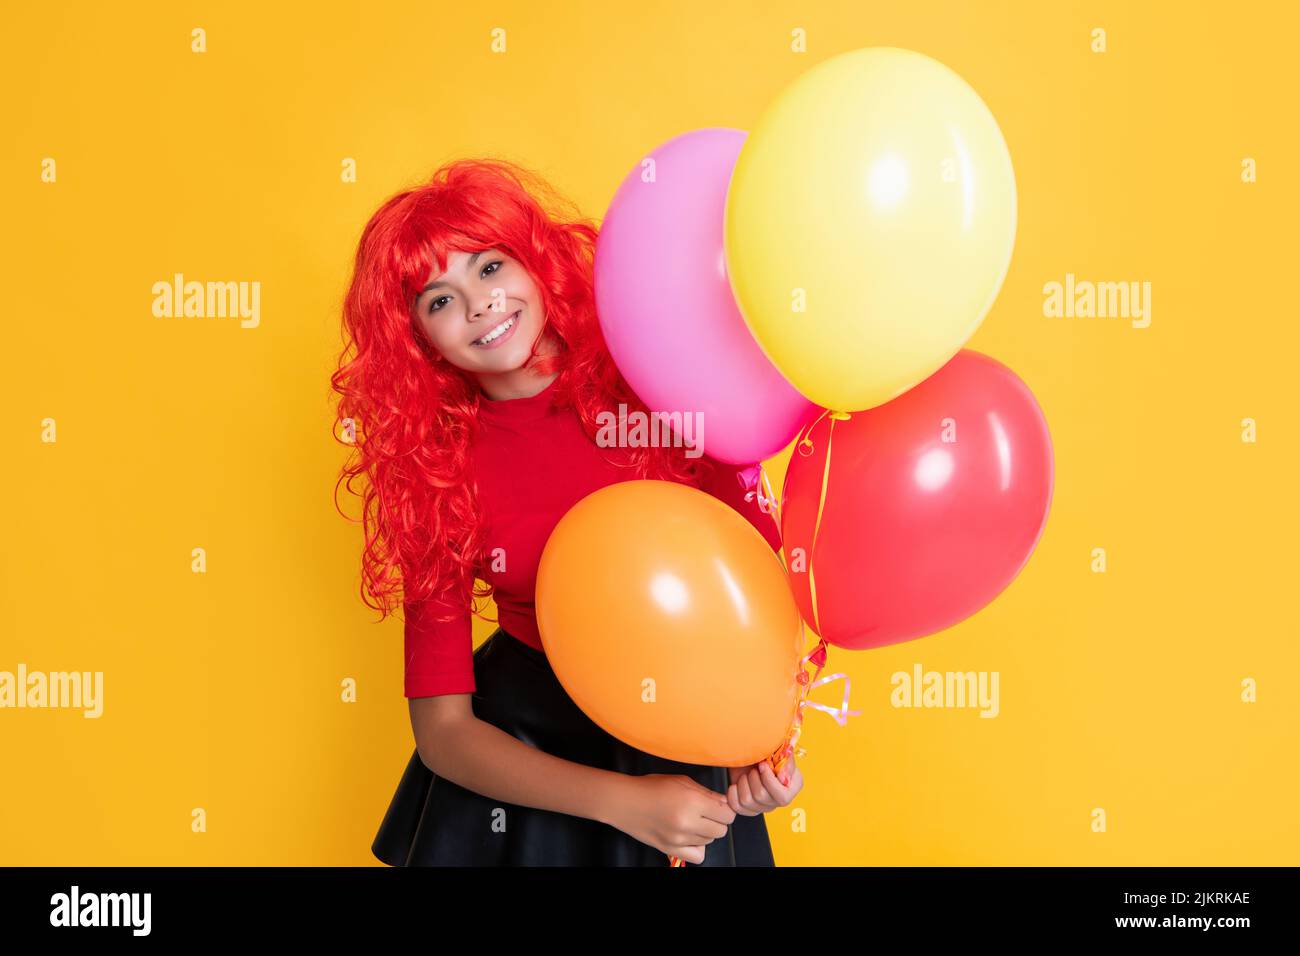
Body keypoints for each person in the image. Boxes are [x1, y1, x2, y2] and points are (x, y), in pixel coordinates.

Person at [331, 158, 803, 866]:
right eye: (438, 299)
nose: (479, 305)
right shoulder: (436, 471)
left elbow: (760, 586)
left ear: (536, 259)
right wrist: (622, 803)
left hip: (687, 725)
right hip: (531, 766)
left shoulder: (657, 376)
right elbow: (443, 730)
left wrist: (760, 752)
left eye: (490, 268)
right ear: (417, 342)